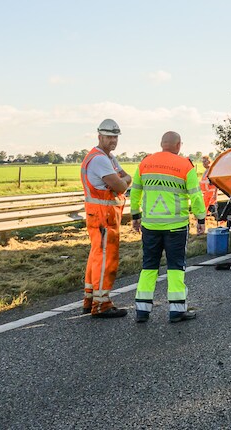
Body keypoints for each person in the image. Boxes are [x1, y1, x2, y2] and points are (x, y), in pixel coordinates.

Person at [129, 131, 206, 323]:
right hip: (176, 227)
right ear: (179, 145)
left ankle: (142, 311)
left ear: (161, 143)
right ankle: (177, 310)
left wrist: (135, 216)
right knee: (175, 267)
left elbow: (135, 192)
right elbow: (196, 196)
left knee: (149, 266)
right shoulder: (185, 165)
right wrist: (201, 219)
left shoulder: (145, 163)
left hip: (150, 225)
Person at [80, 119, 132, 318]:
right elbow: (121, 186)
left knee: (96, 256)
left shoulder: (107, 157)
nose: (113, 141)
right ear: (99, 136)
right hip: (104, 217)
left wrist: (122, 181)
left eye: (115, 137)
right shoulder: (101, 160)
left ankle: (90, 299)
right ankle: (101, 305)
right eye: (109, 137)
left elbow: (127, 178)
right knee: (106, 259)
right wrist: (121, 182)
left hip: (100, 215)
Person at [197, 155, 218, 236]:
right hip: (205, 195)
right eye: (202, 162)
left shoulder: (211, 171)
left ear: (209, 161)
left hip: (210, 195)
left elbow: (216, 183)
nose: (203, 163)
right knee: (203, 212)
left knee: (213, 211)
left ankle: (218, 226)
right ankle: (202, 229)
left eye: (204, 161)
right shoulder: (205, 171)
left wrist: (215, 194)